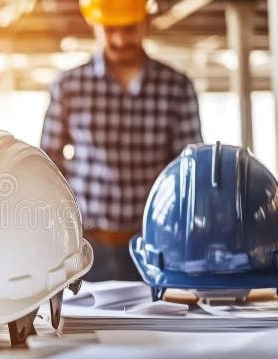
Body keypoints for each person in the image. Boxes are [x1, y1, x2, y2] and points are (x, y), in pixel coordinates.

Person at [41, 0, 203, 281]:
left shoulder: (176, 87)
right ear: (94, 24)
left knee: (153, 325)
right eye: (110, 29)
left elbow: (189, 171)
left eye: (129, 29)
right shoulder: (69, 86)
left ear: (145, 23)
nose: (119, 39)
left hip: (154, 246)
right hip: (84, 246)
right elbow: (46, 164)